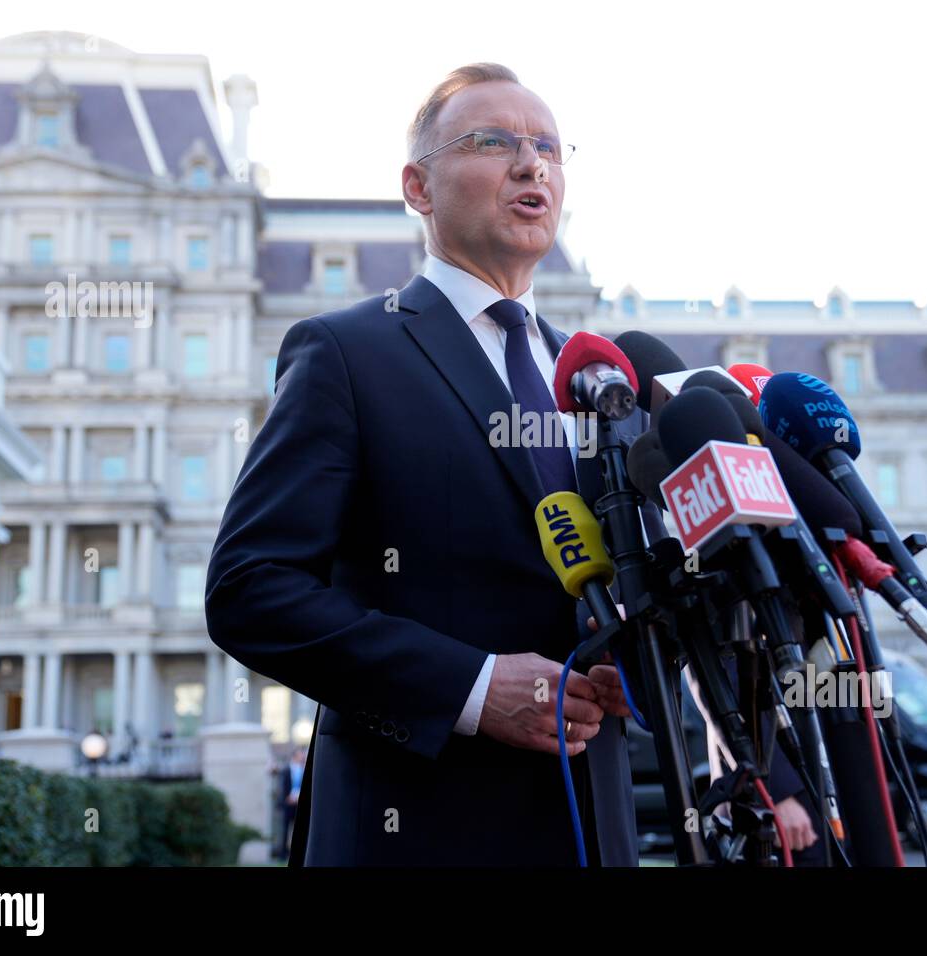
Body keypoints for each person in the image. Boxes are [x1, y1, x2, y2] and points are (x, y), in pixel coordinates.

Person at [206, 63, 662, 866]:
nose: (533, 165)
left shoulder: (601, 379)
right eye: (493, 141)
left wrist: (648, 671)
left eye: (550, 148)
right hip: (413, 824)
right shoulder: (346, 352)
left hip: (594, 826)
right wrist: (475, 689)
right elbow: (250, 589)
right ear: (418, 187)